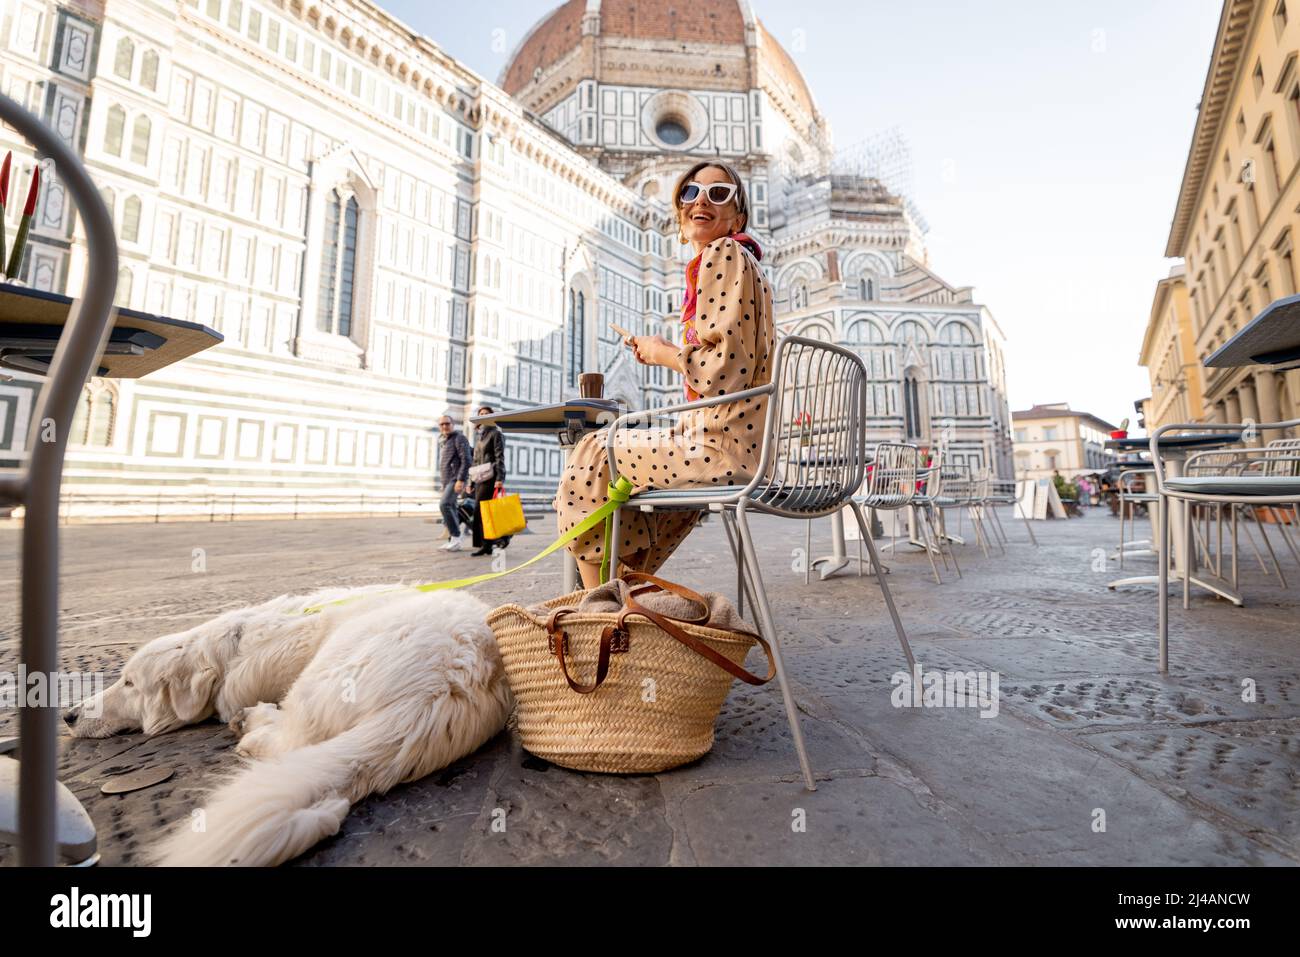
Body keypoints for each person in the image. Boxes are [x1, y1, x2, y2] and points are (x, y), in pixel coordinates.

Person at [554, 161, 775, 588]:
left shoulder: (723, 254)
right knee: (630, 493)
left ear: (738, 217)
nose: (702, 201)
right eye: (691, 193)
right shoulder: (748, 266)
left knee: (593, 452)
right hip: (745, 449)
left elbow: (724, 373)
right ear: (679, 211)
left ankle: (598, 606)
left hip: (723, 452)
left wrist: (664, 353)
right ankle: (627, 593)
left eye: (719, 194)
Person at [470, 405, 507, 556]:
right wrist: (471, 482)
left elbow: (499, 456)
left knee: (483, 511)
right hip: (480, 478)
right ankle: (490, 543)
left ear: (491, 417)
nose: (483, 415)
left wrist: (500, 478)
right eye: (481, 413)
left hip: (490, 478)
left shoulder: (495, 433)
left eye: (486, 413)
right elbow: (475, 460)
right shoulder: (480, 435)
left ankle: (493, 541)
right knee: (484, 512)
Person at [435, 414, 472, 550]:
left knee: (444, 505)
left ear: (453, 424)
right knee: (451, 507)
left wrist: (461, 480)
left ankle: (456, 537)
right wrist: (443, 484)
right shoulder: (444, 441)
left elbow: (466, 460)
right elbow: (445, 465)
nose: (445, 426)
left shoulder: (459, 438)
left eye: (447, 423)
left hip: (455, 479)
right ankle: (454, 539)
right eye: (442, 424)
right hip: (447, 481)